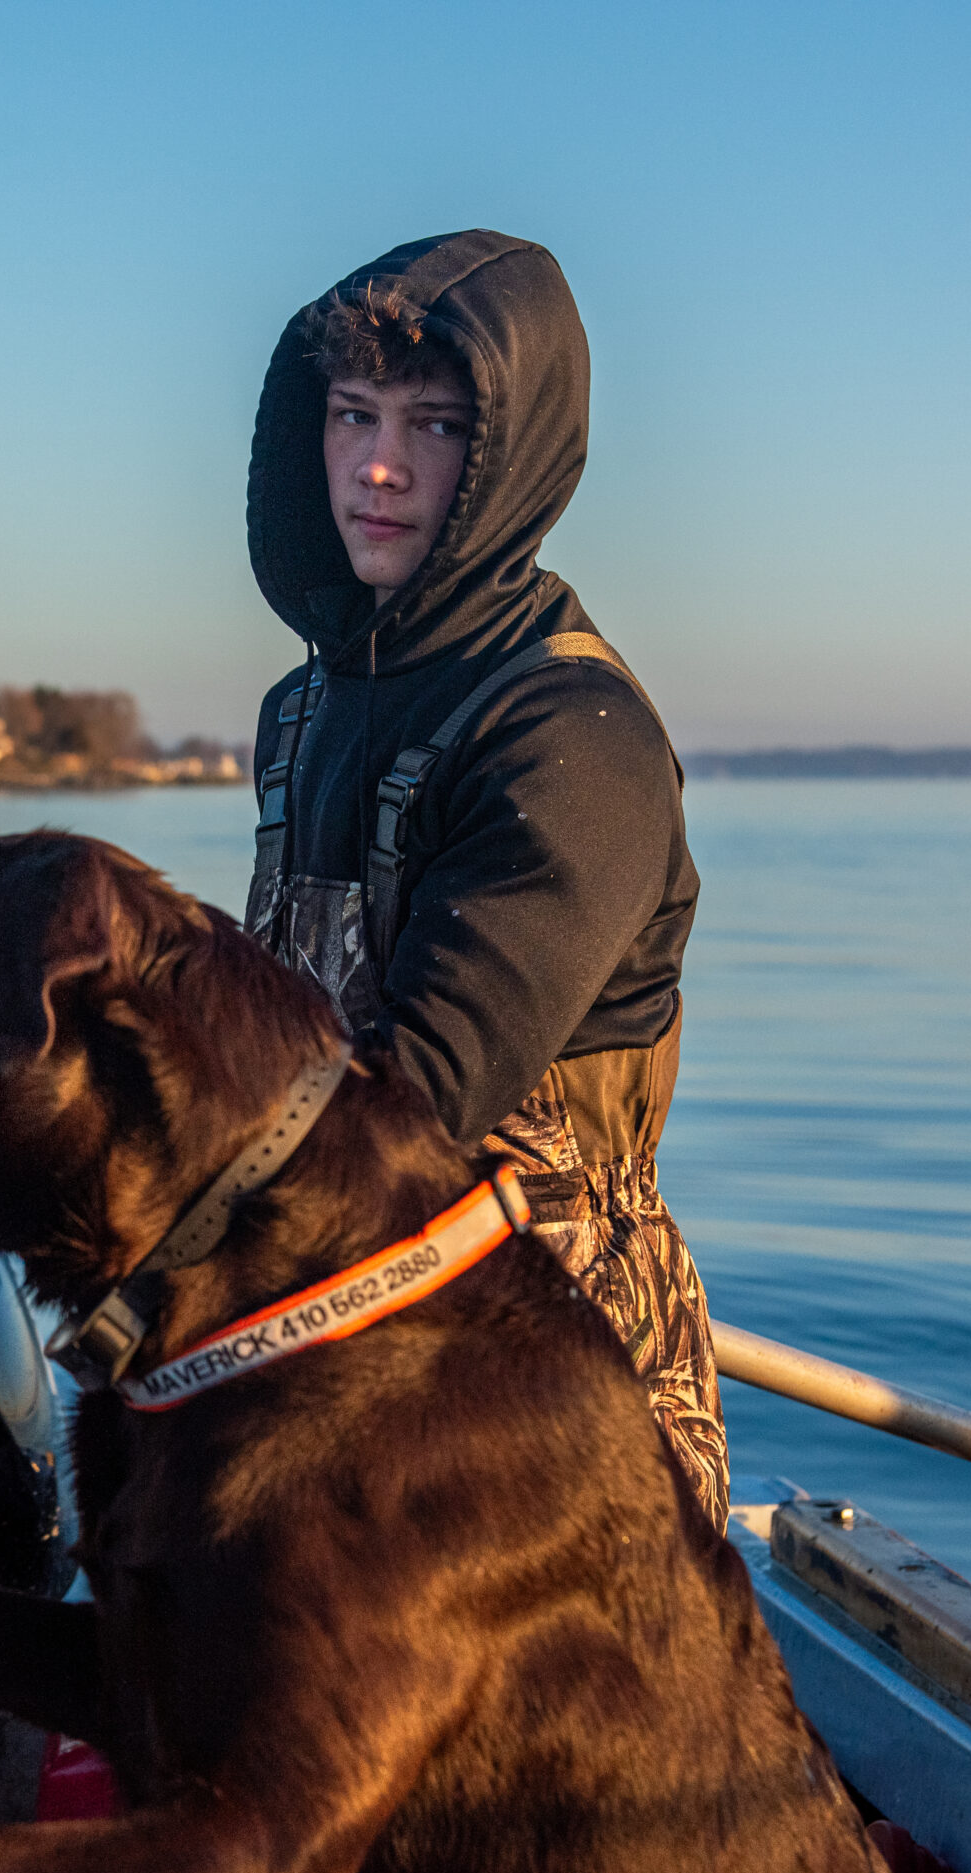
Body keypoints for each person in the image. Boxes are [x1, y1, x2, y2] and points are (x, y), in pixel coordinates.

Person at [245, 229, 729, 1530]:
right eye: (354, 415)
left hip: (551, 1373)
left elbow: (412, 1108)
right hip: (314, 1304)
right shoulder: (299, 713)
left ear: (514, 457)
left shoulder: (570, 738)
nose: (380, 465)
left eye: (437, 426)